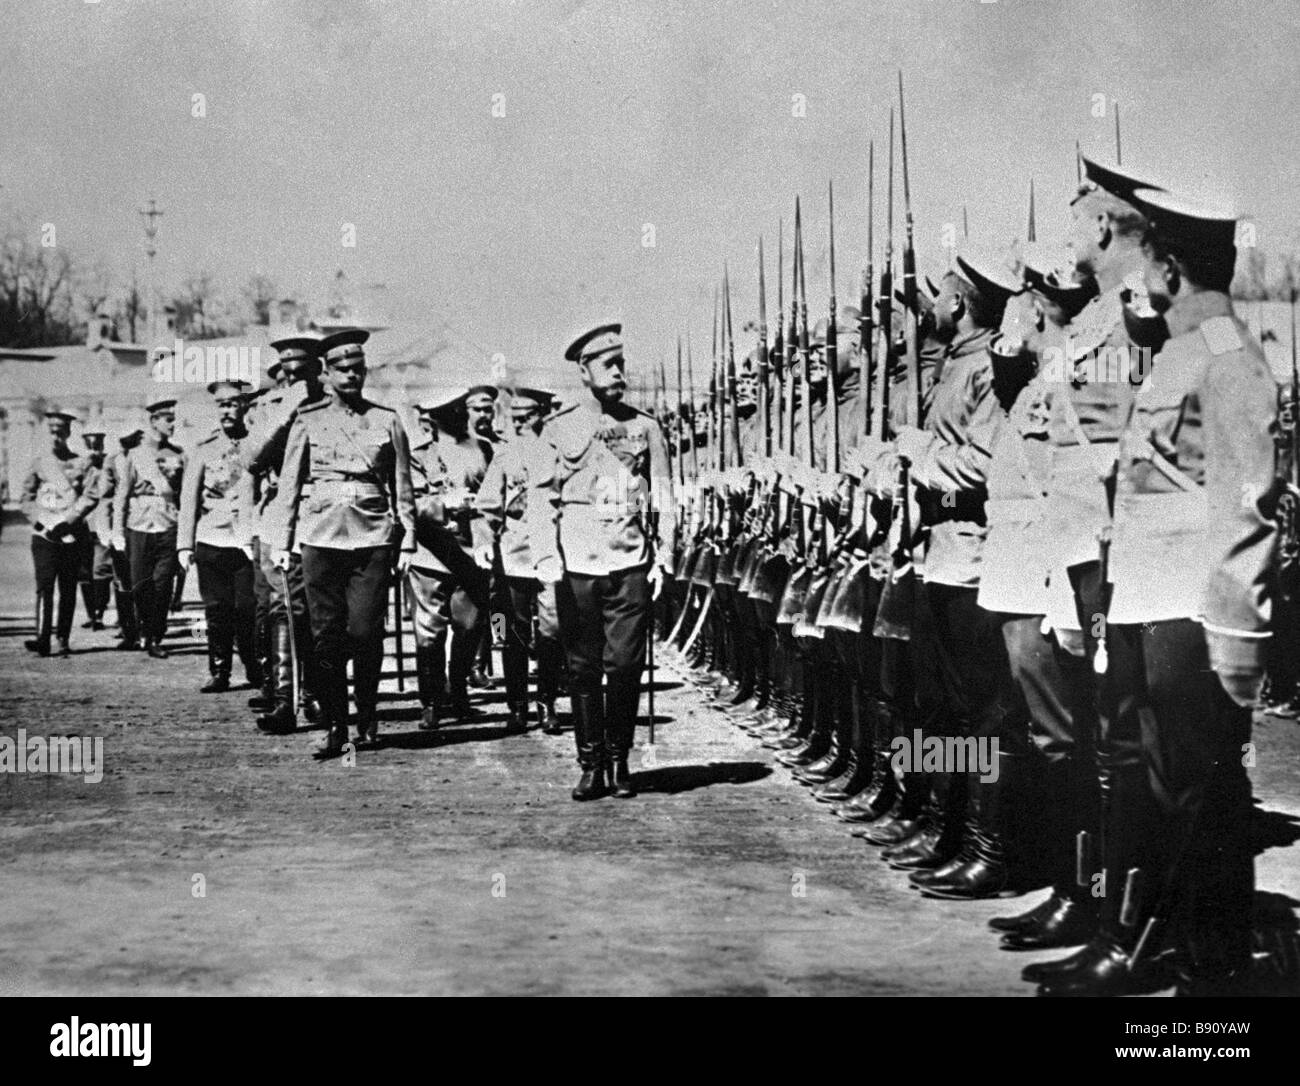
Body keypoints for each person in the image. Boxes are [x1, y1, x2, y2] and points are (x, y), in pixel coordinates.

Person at [1036, 188, 1276, 997]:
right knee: (1155, 782)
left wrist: (1237, 647)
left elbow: (1251, 504)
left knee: (1195, 795)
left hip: (1191, 608)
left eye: (1150, 263)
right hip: (1149, 596)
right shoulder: (1183, 350)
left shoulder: (1222, 350)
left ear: (1171, 268)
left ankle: (1200, 971)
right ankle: (1147, 940)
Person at [529, 323, 675, 800]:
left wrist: (664, 555)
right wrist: (547, 558)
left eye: (621, 364)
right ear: (584, 370)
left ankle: (620, 760)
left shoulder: (645, 427)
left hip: (630, 559)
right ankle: (591, 762)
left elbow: (666, 498)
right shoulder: (557, 428)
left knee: (626, 666)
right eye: (607, 364)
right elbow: (540, 499)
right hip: (577, 564)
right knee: (584, 667)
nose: (618, 373)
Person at [267, 328, 416, 758]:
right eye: (343, 370)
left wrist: (407, 543)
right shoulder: (308, 420)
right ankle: (336, 724)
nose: (353, 376)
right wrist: (283, 540)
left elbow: (403, 485)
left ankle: (366, 711)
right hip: (320, 537)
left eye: (359, 369)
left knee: (366, 631)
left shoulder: (386, 420)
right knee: (325, 637)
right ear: (327, 374)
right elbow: (289, 487)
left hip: (372, 537)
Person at [240, 336, 327, 734]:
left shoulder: (334, 404)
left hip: (328, 515)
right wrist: (289, 407)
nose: (296, 380)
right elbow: (252, 460)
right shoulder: (266, 407)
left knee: (324, 613)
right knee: (283, 609)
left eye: (304, 373)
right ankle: (285, 699)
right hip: (281, 515)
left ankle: (318, 694)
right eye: (289, 374)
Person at [476, 387, 565, 733]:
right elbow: (487, 504)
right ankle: (517, 706)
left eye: (527, 416)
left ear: (542, 414)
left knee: (552, 630)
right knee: (511, 632)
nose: (520, 423)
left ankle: (547, 703)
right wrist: (485, 540)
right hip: (513, 555)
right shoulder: (505, 455)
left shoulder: (559, 453)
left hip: (552, 555)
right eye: (514, 418)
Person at [177, 380, 261, 694]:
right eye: (221, 405)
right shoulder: (203, 449)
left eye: (233, 403)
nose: (227, 410)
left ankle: (255, 668)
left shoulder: (258, 443)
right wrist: (184, 544)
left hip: (246, 542)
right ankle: (220, 670)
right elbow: (189, 498)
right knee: (216, 609)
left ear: (245, 406)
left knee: (248, 608)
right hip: (211, 539)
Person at [429, 390, 495, 717]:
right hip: (433, 547)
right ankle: (435, 694)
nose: (456, 415)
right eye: (447, 410)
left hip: (472, 546)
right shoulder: (424, 451)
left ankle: (458, 687)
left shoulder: (482, 447)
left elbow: (493, 494)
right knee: (431, 629)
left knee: (470, 623)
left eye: (458, 408)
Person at [21, 409, 99, 657]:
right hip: (44, 535)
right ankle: (42, 637)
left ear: (67, 433)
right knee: (45, 586)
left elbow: (91, 495)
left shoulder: (81, 463)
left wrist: (69, 519)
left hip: (70, 535)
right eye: (51, 432)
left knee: (67, 587)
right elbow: (27, 498)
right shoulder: (39, 462)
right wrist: (40, 521)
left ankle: (63, 637)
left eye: (60, 432)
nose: (56, 437)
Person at [113, 397, 186, 659]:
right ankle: (144, 628)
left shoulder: (178, 455)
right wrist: (117, 532)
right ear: (153, 421)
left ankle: (156, 636)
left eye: (174, 418)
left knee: (163, 584)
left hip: (169, 524)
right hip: (139, 524)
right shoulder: (135, 456)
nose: (173, 424)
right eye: (168, 419)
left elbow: (184, 496)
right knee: (141, 585)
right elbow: (121, 495)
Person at [79, 420, 114, 630]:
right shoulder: (80, 465)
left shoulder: (108, 463)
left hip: (101, 523)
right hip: (81, 524)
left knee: (101, 569)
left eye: (98, 441)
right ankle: (92, 613)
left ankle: (100, 612)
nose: (94, 445)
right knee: (83, 573)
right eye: (90, 441)